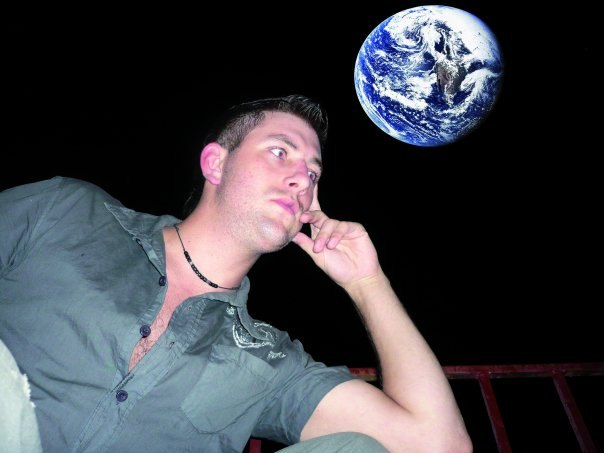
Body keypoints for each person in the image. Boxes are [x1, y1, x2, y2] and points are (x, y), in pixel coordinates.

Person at [0, 94, 472, 453]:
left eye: (313, 173)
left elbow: (437, 444)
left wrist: (367, 283)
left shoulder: (269, 363)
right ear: (216, 163)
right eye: (280, 152)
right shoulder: (66, 213)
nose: (302, 181)